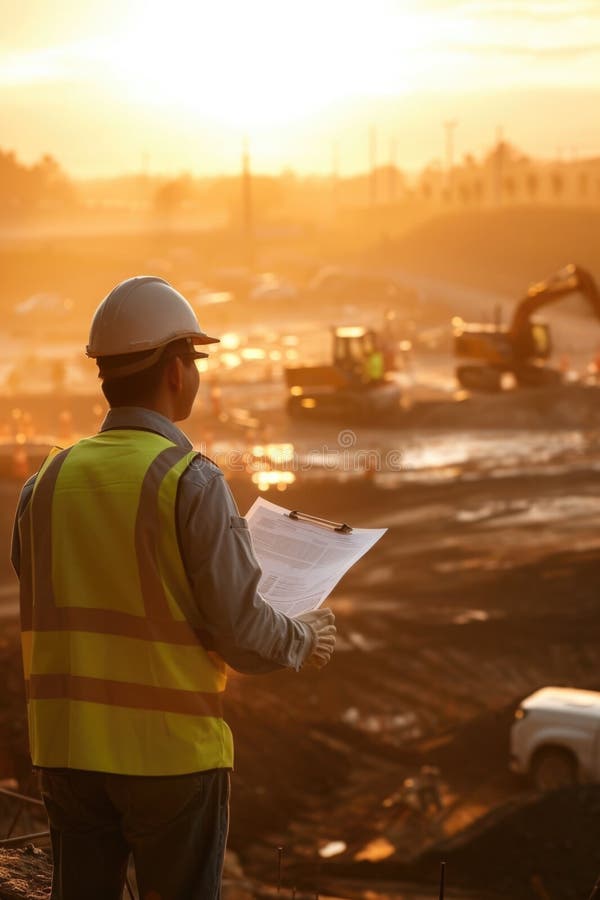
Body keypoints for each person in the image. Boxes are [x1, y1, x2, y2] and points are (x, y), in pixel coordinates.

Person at [11, 275, 336, 900]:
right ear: (176, 371)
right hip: (170, 760)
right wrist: (302, 638)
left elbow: (55, 594)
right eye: (193, 357)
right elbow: (241, 636)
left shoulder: (44, 484)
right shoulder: (190, 480)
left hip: (68, 754)